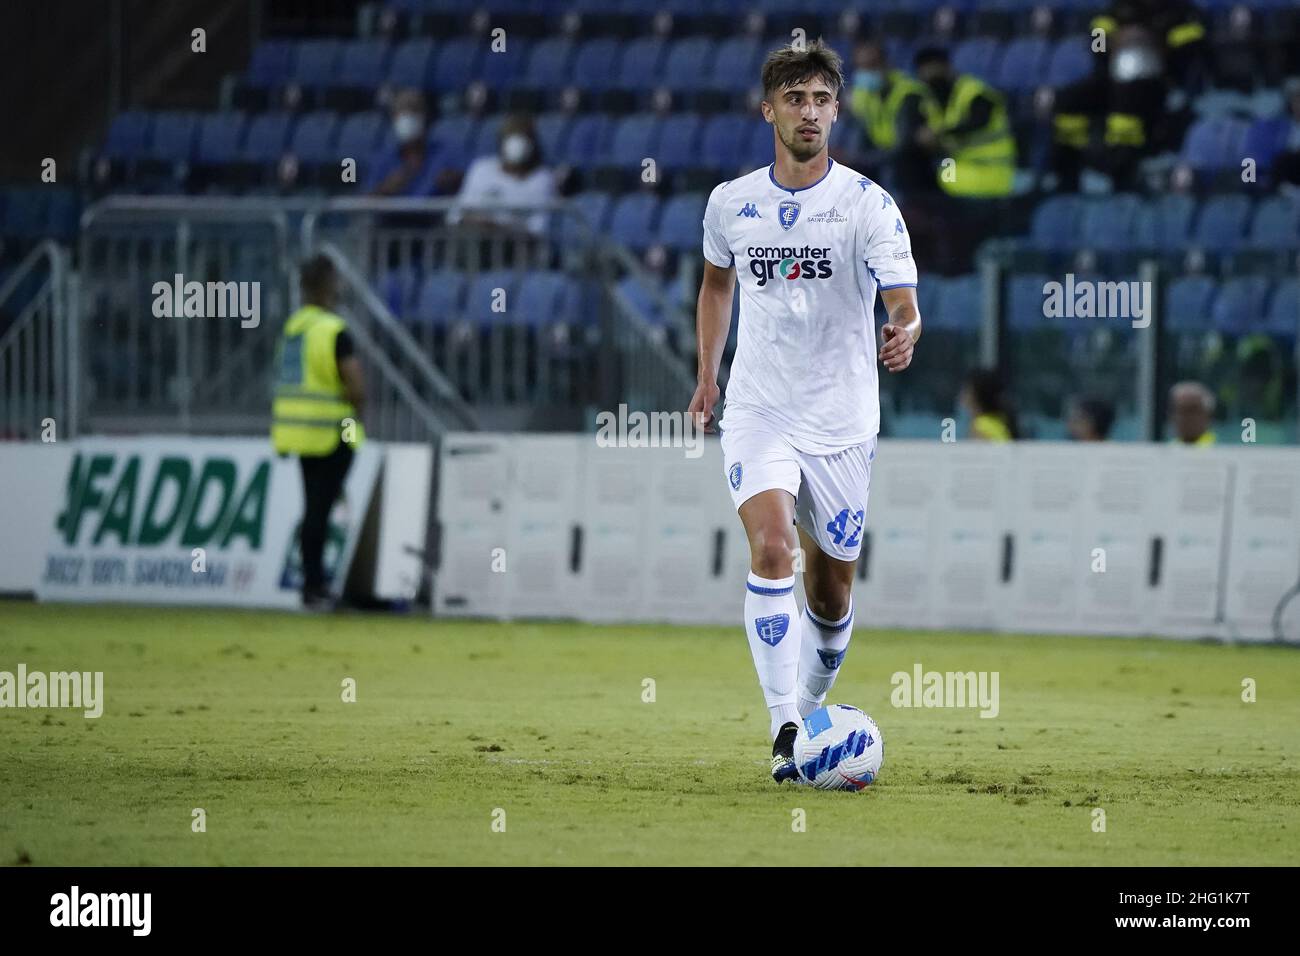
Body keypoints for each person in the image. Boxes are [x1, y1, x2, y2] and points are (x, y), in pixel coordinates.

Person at [689, 39, 921, 784]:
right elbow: (716, 286)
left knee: (831, 592)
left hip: (844, 421)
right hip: (760, 411)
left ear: (836, 110)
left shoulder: (865, 204)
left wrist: (905, 330)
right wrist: (706, 374)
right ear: (770, 111)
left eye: (823, 99)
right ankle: (786, 725)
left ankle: (814, 706)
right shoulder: (731, 204)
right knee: (772, 552)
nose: (811, 112)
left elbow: (903, 299)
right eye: (796, 99)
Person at [271, 255, 367, 609]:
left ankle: (312, 584)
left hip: (298, 431)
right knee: (322, 509)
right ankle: (316, 586)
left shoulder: (295, 327)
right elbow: (356, 388)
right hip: (335, 429)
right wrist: (354, 416)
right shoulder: (333, 329)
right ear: (327, 285)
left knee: (314, 506)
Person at [912, 46, 1015, 200]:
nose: (929, 77)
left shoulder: (975, 92)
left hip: (991, 171)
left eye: (933, 71)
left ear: (946, 67)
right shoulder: (930, 101)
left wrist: (939, 133)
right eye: (924, 73)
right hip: (956, 166)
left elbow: (978, 122)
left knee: (943, 194)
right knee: (921, 176)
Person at [847, 39, 935, 197]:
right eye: (861, 67)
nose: (865, 72)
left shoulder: (908, 92)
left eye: (871, 65)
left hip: (912, 162)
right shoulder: (863, 92)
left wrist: (863, 160)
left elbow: (904, 145)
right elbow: (862, 132)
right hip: (882, 156)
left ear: (886, 64)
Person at [449, 114, 555, 237]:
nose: (516, 143)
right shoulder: (481, 169)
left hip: (514, 247)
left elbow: (537, 228)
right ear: (501, 141)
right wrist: (477, 222)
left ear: (532, 143)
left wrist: (495, 227)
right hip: (472, 239)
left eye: (522, 136)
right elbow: (457, 215)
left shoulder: (542, 178)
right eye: (510, 135)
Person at [367, 89, 441, 197]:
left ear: (426, 116)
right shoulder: (382, 158)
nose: (407, 116)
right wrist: (385, 189)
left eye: (414, 110)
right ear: (393, 119)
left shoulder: (444, 153)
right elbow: (366, 202)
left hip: (436, 213)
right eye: (401, 112)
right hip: (390, 213)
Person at [960, 369, 1018, 442]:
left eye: (966, 391)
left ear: (975, 397)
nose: (962, 395)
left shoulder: (980, 428)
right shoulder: (1001, 422)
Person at [1168, 380, 1216, 445]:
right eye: (1180, 411)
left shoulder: (1223, 448)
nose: (1185, 418)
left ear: (1207, 415)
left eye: (1191, 410)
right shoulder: (1166, 450)